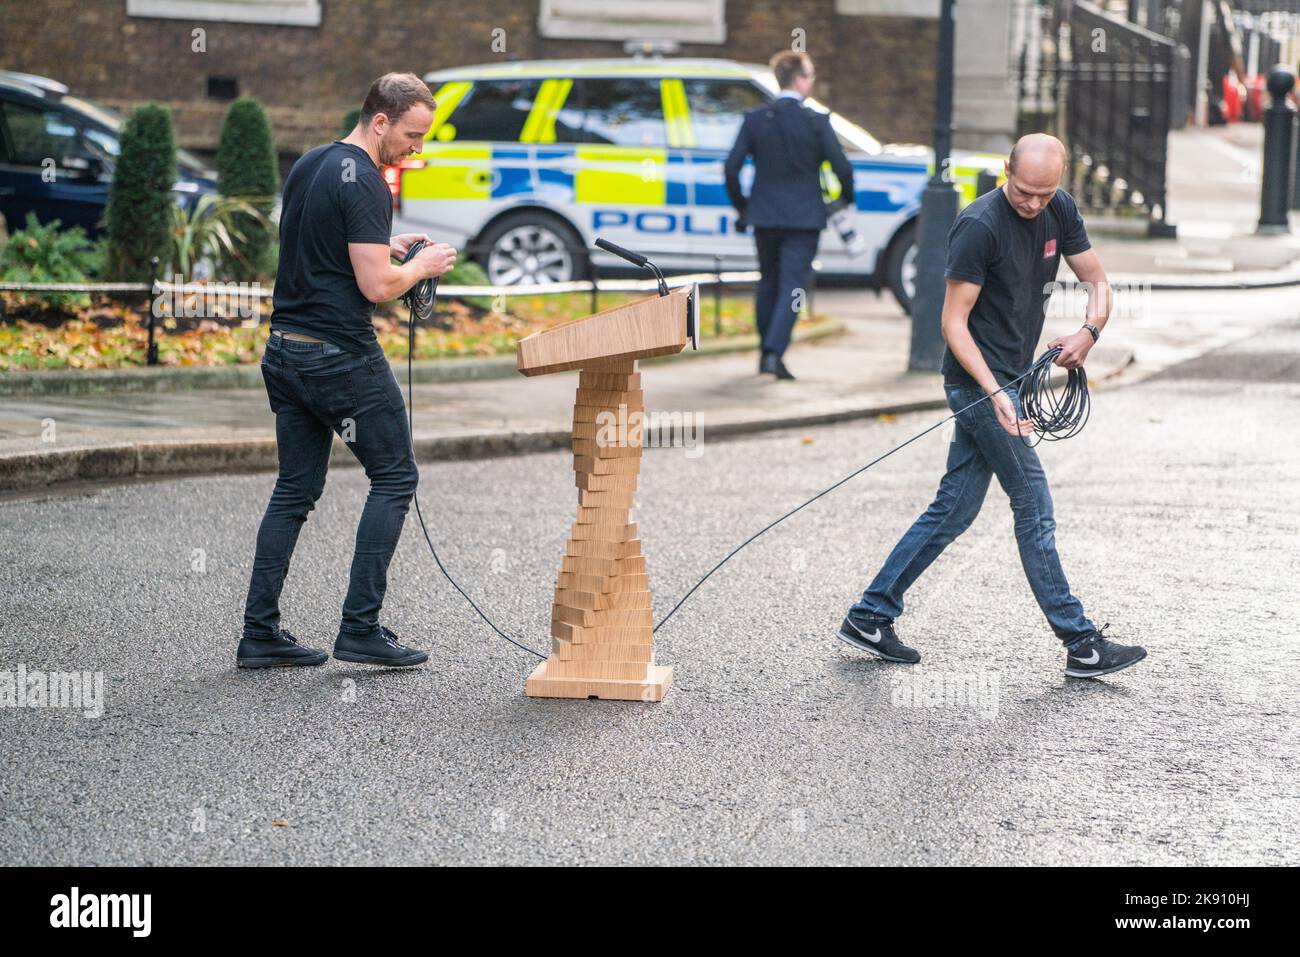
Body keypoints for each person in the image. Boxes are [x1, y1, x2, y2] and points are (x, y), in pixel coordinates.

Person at [837, 133, 1147, 679]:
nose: (1032, 204)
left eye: (1043, 195)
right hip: (976, 383)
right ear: (1006, 171)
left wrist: (1089, 331)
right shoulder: (979, 226)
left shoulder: (1060, 209)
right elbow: (952, 324)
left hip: (1013, 377)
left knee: (954, 507)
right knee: (1033, 504)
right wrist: (996, 393)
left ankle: (869, 615)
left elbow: (1097, 281)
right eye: (1024, 191)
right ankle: (1081, 643)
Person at [237, 73, 457, 669]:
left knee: (294, 490)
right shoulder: (367, 181)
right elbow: (377, 287)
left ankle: (259, 634)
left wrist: (387, 242)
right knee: (395, 477)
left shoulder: (312, 163)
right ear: (380, 121)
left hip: (285, 350)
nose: (417, 150)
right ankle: (360, 628)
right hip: (339, 357)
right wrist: (423, 264)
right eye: (412, 136)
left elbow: (321, 244)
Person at [725, 51, 854, 380]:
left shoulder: (755, 119)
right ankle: (774, 352)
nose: (810, 82)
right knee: (795, 288)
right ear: (798, 80)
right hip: (804, 220)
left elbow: (731, 168)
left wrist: (743, 207)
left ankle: (764, 350)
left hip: (764, 217)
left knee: (767, 282)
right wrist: (843, 200)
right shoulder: (816, 122)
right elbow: (842, 167)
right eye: (809, 76)